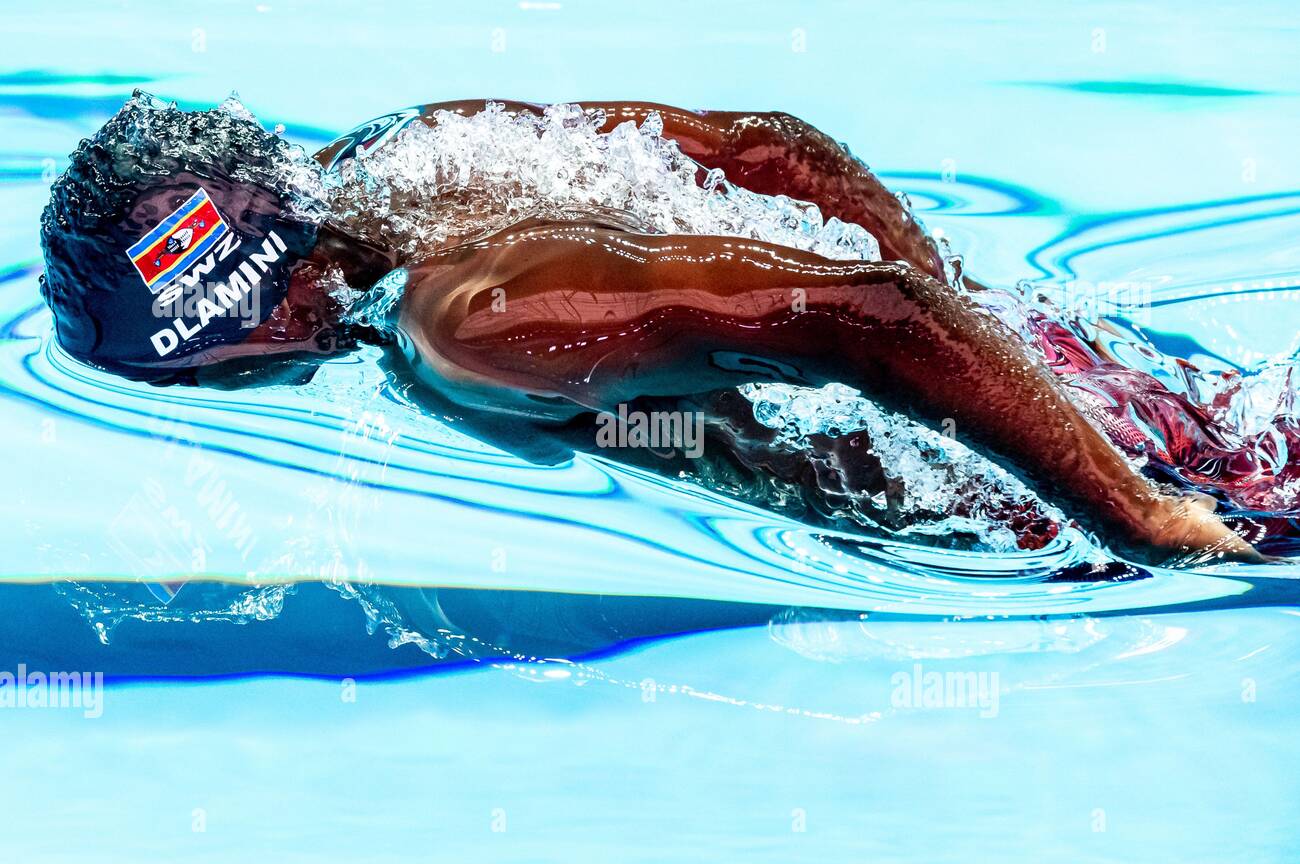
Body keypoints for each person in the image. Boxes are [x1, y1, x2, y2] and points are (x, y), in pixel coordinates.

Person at [38, 94, 1255, 561]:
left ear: (253, 320)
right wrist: (1011, 341)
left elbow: (872, 319)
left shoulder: (467, 323)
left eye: (196, 379)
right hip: (1076, 394)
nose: (208, 398)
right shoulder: (410, 159)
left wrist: (1149, 526)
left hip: (1044, 507)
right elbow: (775, 149)